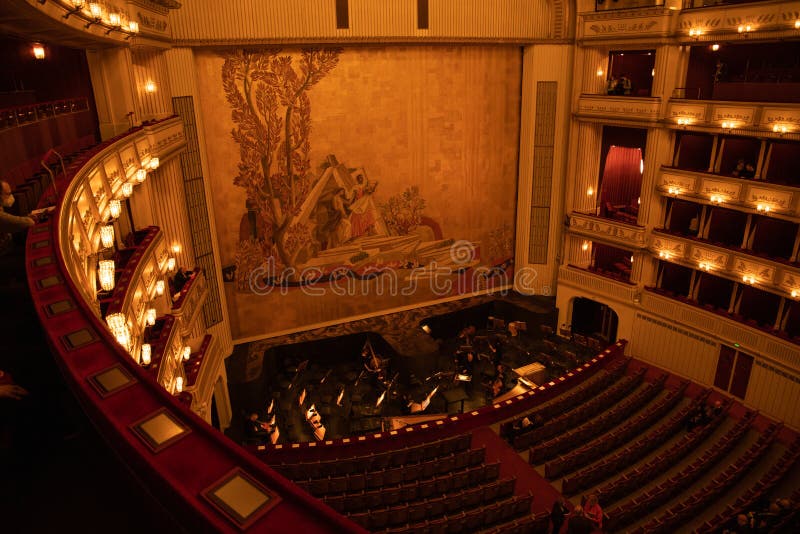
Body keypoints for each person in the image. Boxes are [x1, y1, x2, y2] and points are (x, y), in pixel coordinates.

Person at [0, 180, 36, 256]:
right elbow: (29, 222)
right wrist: (27, 219)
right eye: (8, 194)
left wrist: (26, 217)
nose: (11, 197)